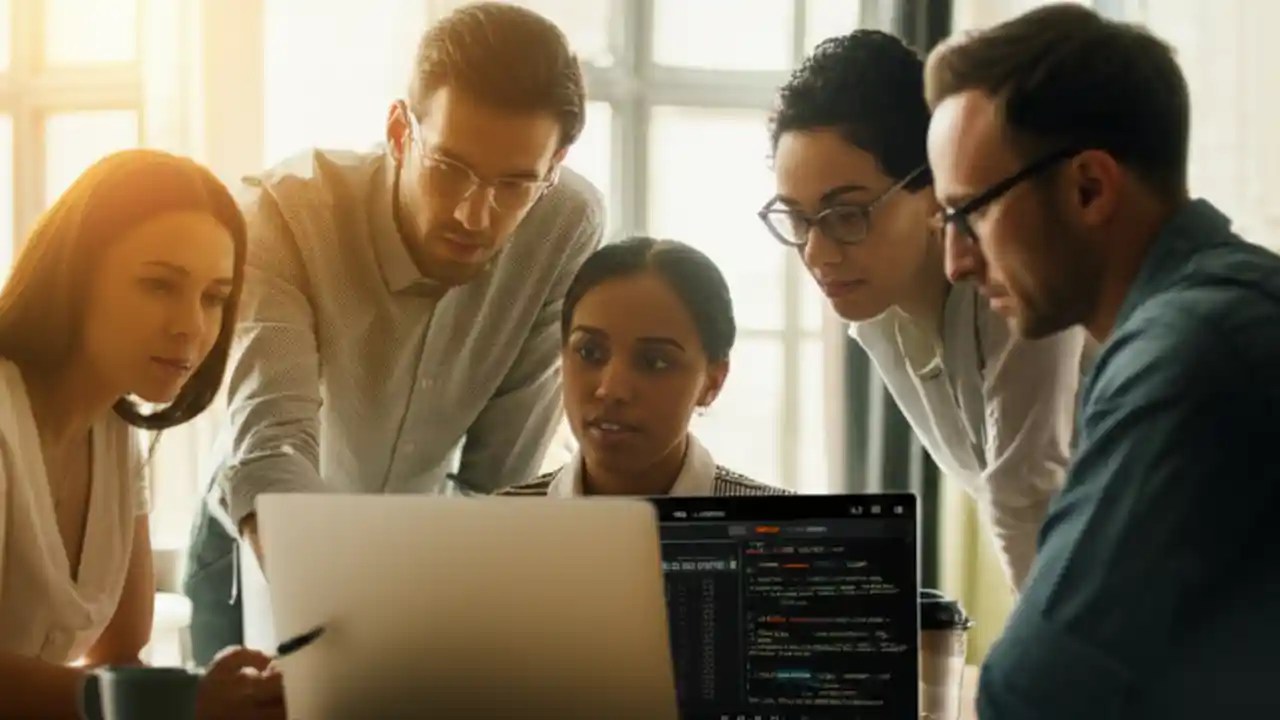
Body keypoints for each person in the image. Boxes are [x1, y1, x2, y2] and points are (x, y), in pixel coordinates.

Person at [182, 1, 605, 659]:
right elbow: (273, 447)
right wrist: (348, 623)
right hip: (259, 539)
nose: (475, 214)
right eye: (451, 168)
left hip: (418, 545)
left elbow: (501, 482)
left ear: (555, 166)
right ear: (400, 131)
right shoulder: (287, 211)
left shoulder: (565, 226)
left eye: (515, 183)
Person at [925, 5, 1280, 717]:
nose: (956, 261)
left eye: (974, 213)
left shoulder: (1189, 353)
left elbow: (1033, 694)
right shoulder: (1233, 304)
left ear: (1089, 187)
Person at [762, 30, 1092, 590]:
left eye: (847, 214)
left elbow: (1025, 494)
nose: (816, 253)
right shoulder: (874, 312)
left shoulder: (1006, 279)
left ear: (935, 190)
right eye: (796, 219)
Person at [0, 150, 283, 719]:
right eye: (159, 286)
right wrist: (181, 701)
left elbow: (119, 657)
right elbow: (107, 693)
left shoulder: (114, 430)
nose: (193, 326)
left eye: (214, 297)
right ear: (75, 275)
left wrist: (221, 693)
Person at [503, 237, 786, 498]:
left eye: (655, 362)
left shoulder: (782, 527)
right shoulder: (497, 528)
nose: (611, 389)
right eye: (590, 352)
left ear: (713, 382)